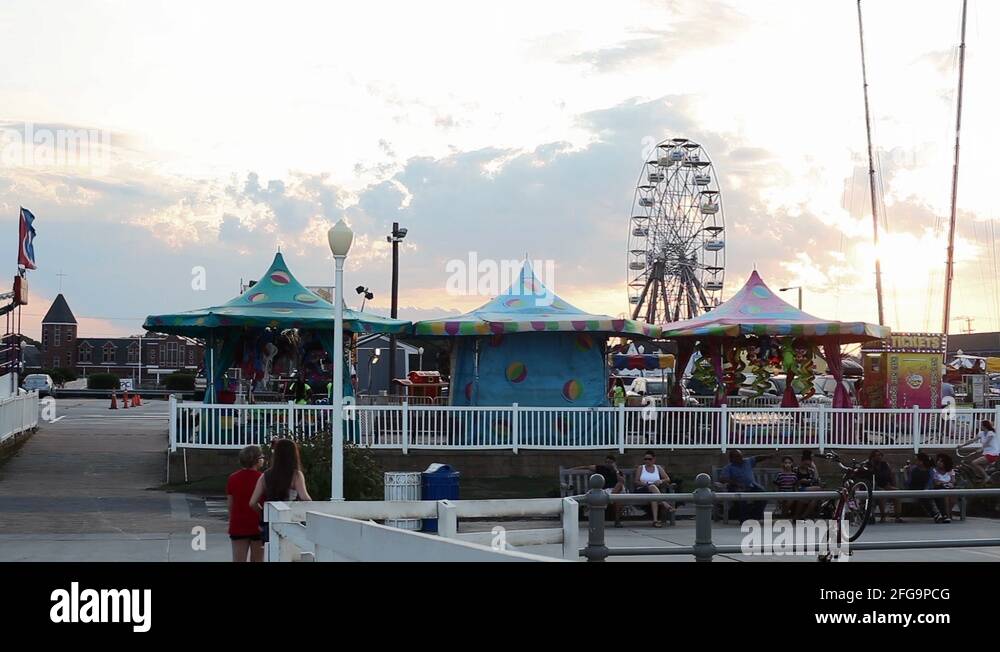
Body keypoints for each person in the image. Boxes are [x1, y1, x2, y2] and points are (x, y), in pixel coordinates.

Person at [250, 438, 313, 542]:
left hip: (271, 521)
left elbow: (252, 502)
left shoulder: (265, 475)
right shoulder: (296, 475)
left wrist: (263, 513)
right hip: (292, 520)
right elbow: (304, 498)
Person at [227, 445, 265, 562]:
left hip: (238, 524)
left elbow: (230, 505)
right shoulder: (263, 478)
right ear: (257, 460)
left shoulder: (233, 478)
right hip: (258, 525)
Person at [572, 455, 625, 526]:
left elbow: (622, 481)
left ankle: (612, 499)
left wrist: (616, 470)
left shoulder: (618, 472)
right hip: (606, 491)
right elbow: (586, 467)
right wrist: (571, 469)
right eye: (606, 462)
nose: (608, 464)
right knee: (618, 500)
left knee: (619, 485)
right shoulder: (601, 468)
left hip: (617, 491)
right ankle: (617, 519)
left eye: (610, 462)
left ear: (614, 463)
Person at [719, 449, 769, 522]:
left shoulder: (747, 461)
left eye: (741, 456)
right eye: (738, 457)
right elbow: (722, 479)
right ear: (731, 459)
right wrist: (736, 483)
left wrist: (768, 456)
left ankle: (755, 516)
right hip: (737, 487)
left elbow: (757, 458)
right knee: (742, 498)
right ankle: (744, 519)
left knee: (763, 495)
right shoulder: (728, 468)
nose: (741, 458)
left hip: (752, 485)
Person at [633, 451, 674, 527]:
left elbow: (667, 479)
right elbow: (636, 481)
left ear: (654, 459)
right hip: (642, 490)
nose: (647, 461)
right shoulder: (641, 468)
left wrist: (661, 481)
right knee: (652, 487)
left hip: (655, 492)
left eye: (649, 459)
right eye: (645, 459)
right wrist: (646, 484)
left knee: (654, 497)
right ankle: (665, 503)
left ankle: (655, 521)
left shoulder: (658, 468)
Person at [905, 453, 944, 522]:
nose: (915, 462)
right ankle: (936, 514)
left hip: (926, 489)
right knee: (924, 496)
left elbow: (930, 482)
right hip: (914, 489)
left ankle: (943, 514)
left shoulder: (930, 470)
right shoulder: (913, 469)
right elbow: (908, 482)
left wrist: (926, 489)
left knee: (937, 494)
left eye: (917, 460)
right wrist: (908, 473)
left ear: (922, 461)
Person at [869, 450, 903, 523]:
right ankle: (883, 516)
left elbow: (890, 475)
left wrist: (891, 485)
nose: (879, 457)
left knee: (897, 493)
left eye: (880, 455)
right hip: (875, 487)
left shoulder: (884, 464)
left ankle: (898, 517)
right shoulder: (869, 466)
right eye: (877, 455)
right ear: (873, 457)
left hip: (886, 485)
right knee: (882, 494)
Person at [793, 450, 823, 519]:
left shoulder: (810, 471)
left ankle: (802, 517)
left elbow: (816, 480)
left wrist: (814, 468)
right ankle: (796, 516)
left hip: (810, 491)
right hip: (799, 489)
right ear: (801, 462)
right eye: (805, 464)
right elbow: (795, 481)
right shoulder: (795, 470)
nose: (807, 466)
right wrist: (801, 481)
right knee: (818, 489)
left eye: (808, 464)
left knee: (814, 499)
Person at [931, 453, 956, 523]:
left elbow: (953, 481)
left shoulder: (950, 471)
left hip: (949, 489)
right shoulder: (934, 471)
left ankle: (948, 513)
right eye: (938, 461)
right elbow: (936, 482)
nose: (939, 462)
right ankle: (947, 515)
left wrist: (950, 484)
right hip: (938, 489)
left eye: (941, 461)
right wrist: (945, 483)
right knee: (946, 496)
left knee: (952, 498)